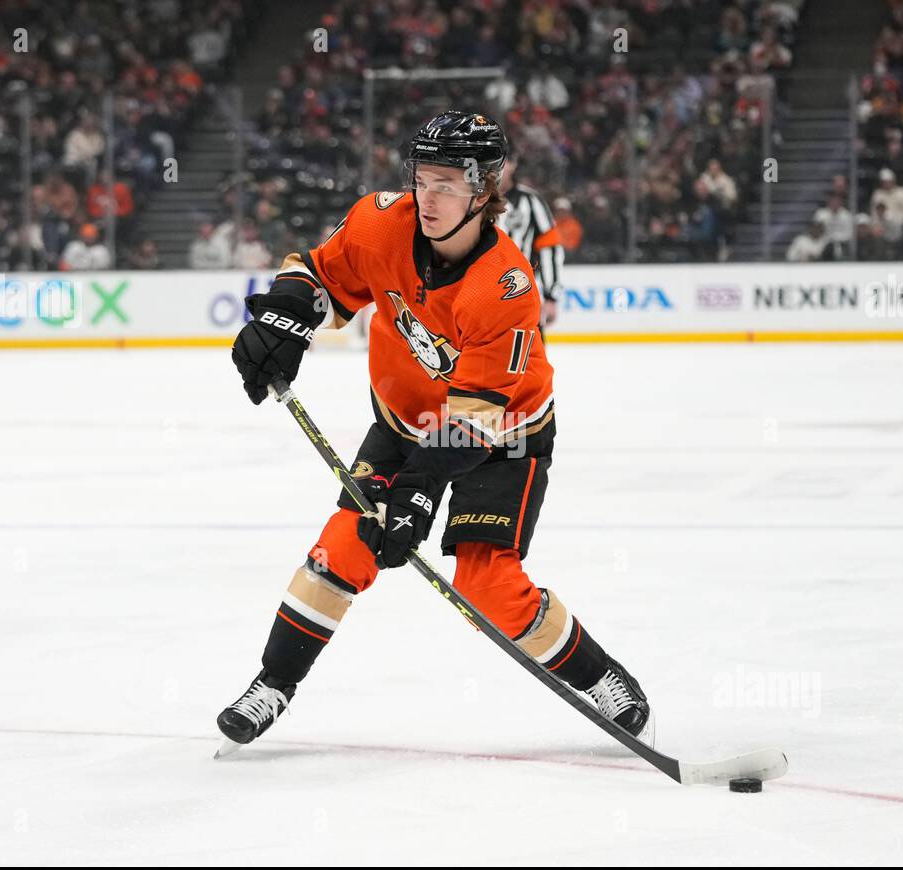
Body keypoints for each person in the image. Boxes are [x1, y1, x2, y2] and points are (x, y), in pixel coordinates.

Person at [218, 111, 653, 747]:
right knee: (340, 550)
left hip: (505, 435)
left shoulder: (504, 287)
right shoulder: (379, 223)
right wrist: (282, 322)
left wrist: (417, 491)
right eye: (423, 179)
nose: (429, 196)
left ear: (484, 192)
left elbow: (475, 417)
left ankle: (598, 675)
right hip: (403, 421)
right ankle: (273, 685)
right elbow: (320, 274)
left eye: (448, 183)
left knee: (486, 583)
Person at [497, 154, 564, 335]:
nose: (497, 168)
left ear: (513, 164)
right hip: (479, 295)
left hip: (523, 294)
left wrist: (551, 295)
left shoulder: (531, 201)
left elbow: (549, 248)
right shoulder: (472, 199)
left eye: (503, 162)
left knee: (531, 360)